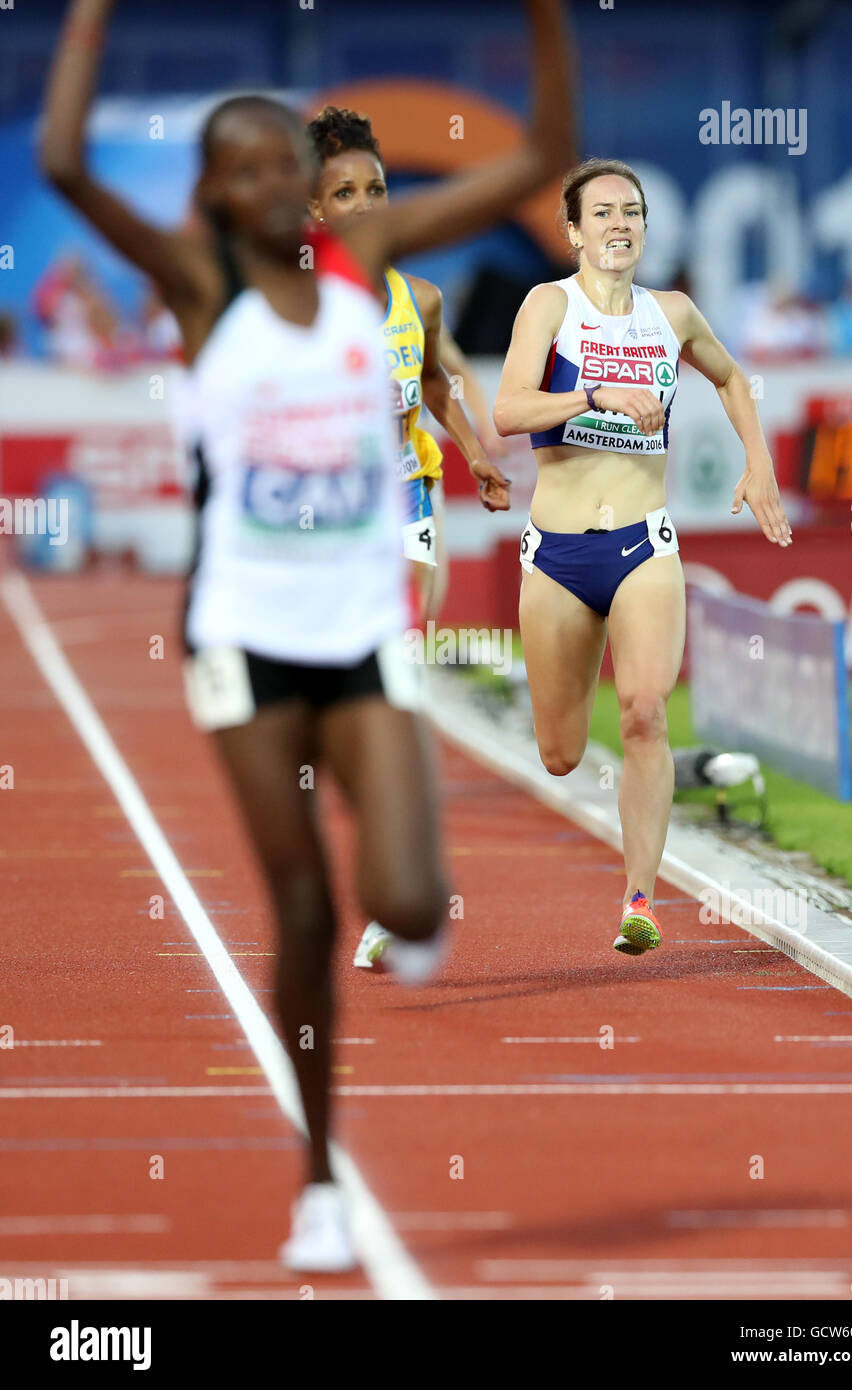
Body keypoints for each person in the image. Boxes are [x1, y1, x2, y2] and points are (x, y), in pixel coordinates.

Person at [41, 0, 574, 1271]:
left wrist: (545, 18)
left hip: (357, 628)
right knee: (299, 904)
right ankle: (320, 1179)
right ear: (214, 196)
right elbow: (63, 164)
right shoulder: (196, 283)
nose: (283, 186)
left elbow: (545, 145)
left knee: (397, 894)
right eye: (252, 171)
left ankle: (410, 913)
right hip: (241, 636)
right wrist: (88, 20)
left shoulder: (372, 251)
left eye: (293, 163)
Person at [494, 157, 792, 956]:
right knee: (559, 754)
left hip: (642, 543)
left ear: (646, 227)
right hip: (556, 553)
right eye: (602, 214)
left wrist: (755, 461)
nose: (619, 225)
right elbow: (508, 409)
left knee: (643, 712)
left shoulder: (675, 314)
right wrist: (595, 395)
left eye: (632, 212)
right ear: (573, 232)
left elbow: (733, 380)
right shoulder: (547, 305)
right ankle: (649, 808)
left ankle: (640, 901)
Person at [306, 104, 511, 973]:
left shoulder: (419, 297)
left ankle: (395, 894)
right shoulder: (295, 300)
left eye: (378, 187)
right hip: (327, 520)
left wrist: (477, 455)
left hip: (410, 499)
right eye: (344, 191)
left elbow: (431, 378)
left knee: (399, 680)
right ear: (315, 211)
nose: (365, 201)